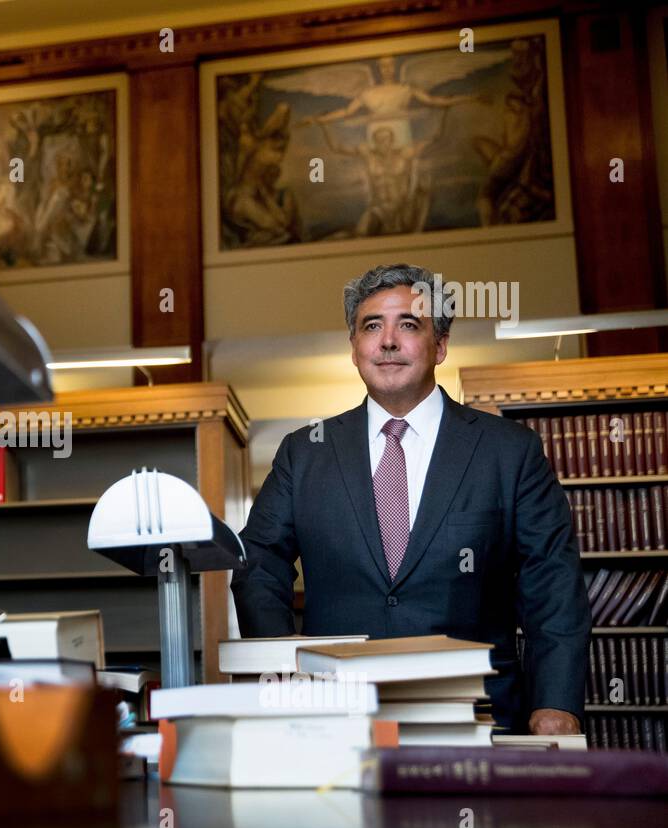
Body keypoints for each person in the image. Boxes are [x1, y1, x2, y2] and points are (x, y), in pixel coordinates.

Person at [232, 263, 589, 734]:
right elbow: (257, 561)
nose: (388, 340)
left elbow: (553, 583)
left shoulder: (509, 451)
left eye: (409, 325)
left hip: (477, 716)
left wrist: (557, 703)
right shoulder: (305, 452)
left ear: (440, 345)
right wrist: (285, 669)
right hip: (336, 719)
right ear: (354, 348)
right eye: (372, 326)